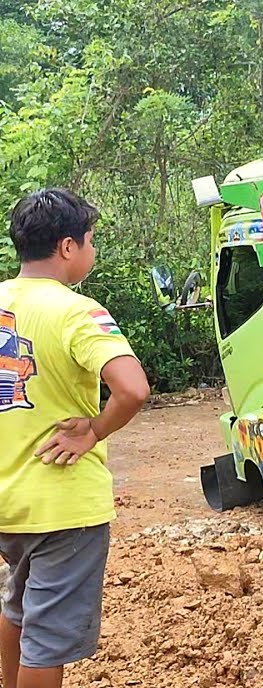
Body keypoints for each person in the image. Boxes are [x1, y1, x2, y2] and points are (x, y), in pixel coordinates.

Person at [0, 189, 150, 688]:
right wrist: (95, 430)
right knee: (47, 639)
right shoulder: (77, 312)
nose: (91, 250)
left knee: (19, 606)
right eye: (90, 241)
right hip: (63, 505)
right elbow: (132, 389)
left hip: (7, 501)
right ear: (67, 247)